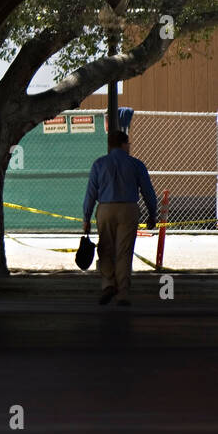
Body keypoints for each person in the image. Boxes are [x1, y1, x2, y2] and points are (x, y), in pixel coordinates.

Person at [82, 130, 157, 306]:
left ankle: (108, 283)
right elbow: (148, 193)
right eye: (128, 144)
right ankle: (122, 292)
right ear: (124, 144)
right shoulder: (136, 165)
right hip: (128, 209)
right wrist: (152, 214)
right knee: (124, 251)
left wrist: (86, 218)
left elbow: (90, 193)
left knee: (105, 248)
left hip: (105, 209)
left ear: (110, 146)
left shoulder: (99, 164)